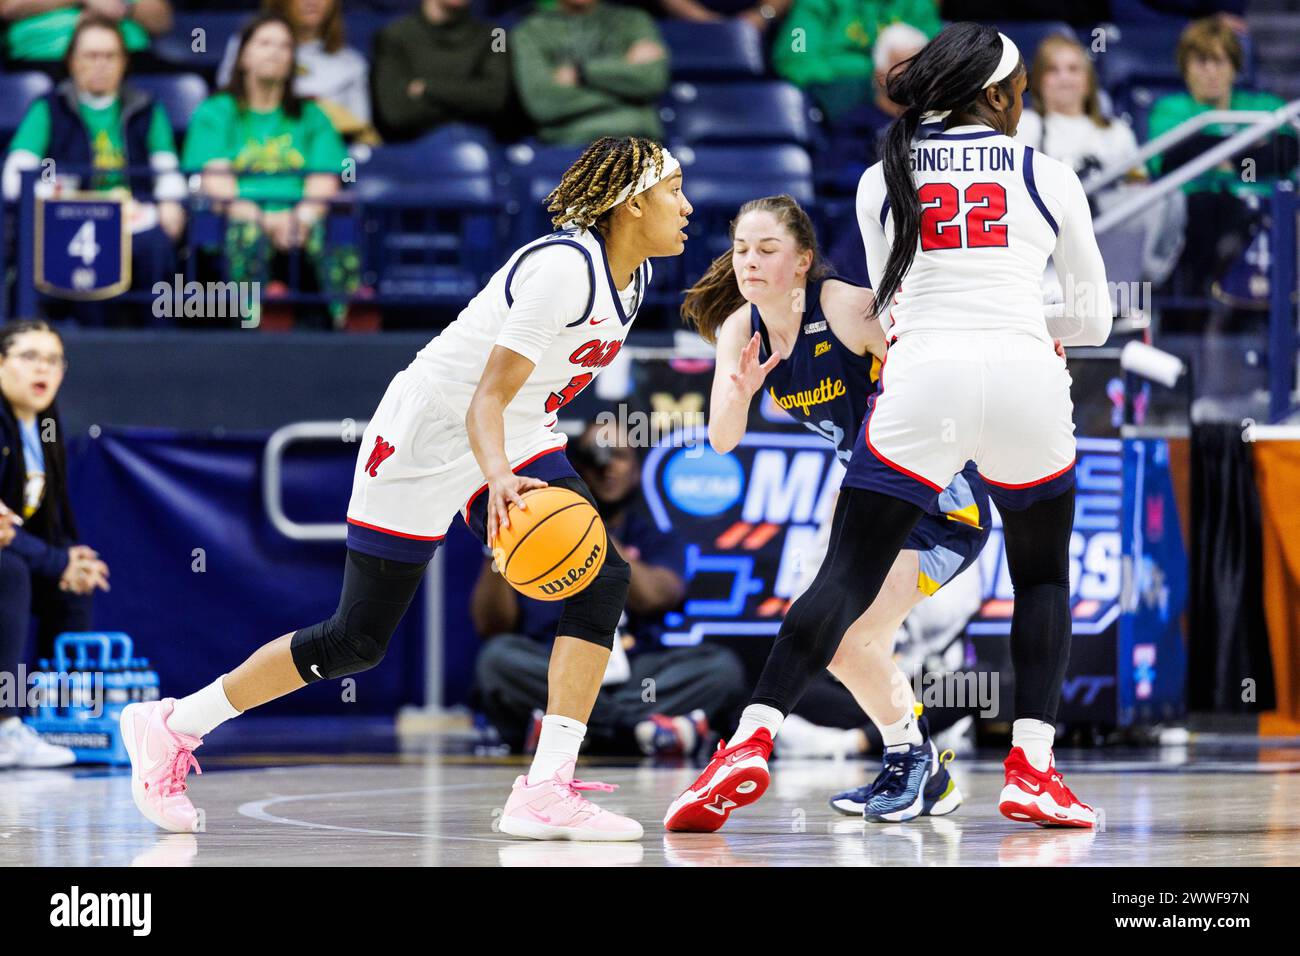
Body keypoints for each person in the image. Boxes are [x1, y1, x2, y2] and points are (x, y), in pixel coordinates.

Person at [119, 136, 693, 842]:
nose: (687, 206)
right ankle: (173, 724)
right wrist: (499, 480)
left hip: (516, 428)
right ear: (633, 204)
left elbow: (511, 406)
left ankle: (545, 788)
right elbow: (484, 397)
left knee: (602, 578)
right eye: (675, 192)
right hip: (427, 435)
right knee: (356, 640)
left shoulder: (631, 280)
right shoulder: (563, 271)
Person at [666, 23, 1112, 833]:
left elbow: (897, 304)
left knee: (841, 576)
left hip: (925, 379)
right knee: (1042, 575)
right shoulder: (1047, 172)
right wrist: (1031, 322)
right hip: (1023, 374)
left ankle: (749, 740)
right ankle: (1034, 767)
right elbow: (1094, 316)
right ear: (1005, 97)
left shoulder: (883, 177)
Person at [681, 193, 989, 821]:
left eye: (768, 249)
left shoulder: (844, 308)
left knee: (842, 630)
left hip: (939, 496)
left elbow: (936, 369)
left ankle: (914, 764)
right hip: (875, 496)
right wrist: (739, 392)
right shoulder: (743, 328)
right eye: (742, 249)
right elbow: (721, 438)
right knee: (845, 639)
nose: (751, 262)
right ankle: (918, 768)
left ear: (803, 261)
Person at [472, 419, 746, 757]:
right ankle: (639, 732)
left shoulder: (653, 538)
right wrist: (498, 548)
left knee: (720, 669)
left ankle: (576, 730)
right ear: (575, 466)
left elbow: (656, 598)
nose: (606, 466)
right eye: (593, 456)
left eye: (617, 455)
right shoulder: (534, 532)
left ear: (635, 468)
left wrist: (585, 525)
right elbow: (491, 625)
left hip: (640, 678)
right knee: (498, 660)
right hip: (555, 667)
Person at [3, 15, 185, 327]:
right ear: (72, 61)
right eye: (91, 55)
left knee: (157, 245)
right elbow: (15, 176)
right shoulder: (50, 107)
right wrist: (58, 195)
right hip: (65, 220)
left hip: (131, 220)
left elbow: (167, 172)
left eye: (110, 56)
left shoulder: (145, 108)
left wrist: (170, 204)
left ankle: (159, 347)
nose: (101, 64)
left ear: (124, 62)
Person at [183, 13, 360, 329]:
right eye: (264, 43)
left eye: (285, 46)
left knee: (335, 224)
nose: (275, 52)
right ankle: (260, 313)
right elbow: (216, 183)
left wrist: (299, 219)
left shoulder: (312, 114)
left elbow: (325, 180)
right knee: (246, 232)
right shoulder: (216, 111)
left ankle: (350, 315)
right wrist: (265, 218)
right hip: (241, 214)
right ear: (244, 56)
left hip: (302, 217)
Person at [0, 320, 111, 769]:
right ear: (1, 362)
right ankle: (5, 724)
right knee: (10, 572)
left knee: (72, 586)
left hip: (14, 549)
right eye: (29, 357)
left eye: (53, 360)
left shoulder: (45, 427)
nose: (42, 369)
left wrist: (70, 561)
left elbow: (46, 520)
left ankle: (54, 717)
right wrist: (54, 559)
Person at [1147, 17, 1297, 302]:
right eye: (1201, 62)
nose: (1211, 72)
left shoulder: (1264, 105)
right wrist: (1252, 149)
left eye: (1220, 61)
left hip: (1266, 209)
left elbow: (1288, 152)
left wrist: (1224, 157)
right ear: (1185, 68)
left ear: (1235, 67)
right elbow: (1179, 154)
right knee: (1211, 207)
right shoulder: (1170, 109)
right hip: (1196, 218)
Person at [511, 0, 669, 146]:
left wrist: (582, 73)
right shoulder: (529, 32)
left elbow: (652, 81)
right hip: (570, 145)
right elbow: (542, 104)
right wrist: (626, 87)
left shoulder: (633, 21)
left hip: (639, 143)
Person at [217, 0, 375, 143]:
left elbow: (360, 132)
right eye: (266, 44)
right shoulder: (247, 44)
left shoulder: (352, 64)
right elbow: (228, 107)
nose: (312, 2)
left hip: (325, 153)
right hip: (249, 145)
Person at [370, 0, 515, 143]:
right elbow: (396, 114)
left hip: (482, 142)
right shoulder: (392, 35)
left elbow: (496, 98)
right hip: (416, 146)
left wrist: (427, 88)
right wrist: (470, 100)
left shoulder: (497, 35)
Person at [770, 0, 941, 118]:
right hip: (837, 95)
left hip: (902, 97)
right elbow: (795, 55)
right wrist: (843, 86)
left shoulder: (918, 4)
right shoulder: (814, 3)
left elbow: (936, 58)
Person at [1, 0, 172, 70]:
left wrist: (124, 4)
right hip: (45, 58)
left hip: (129, 56)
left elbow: (162, 21)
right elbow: (7, 7)